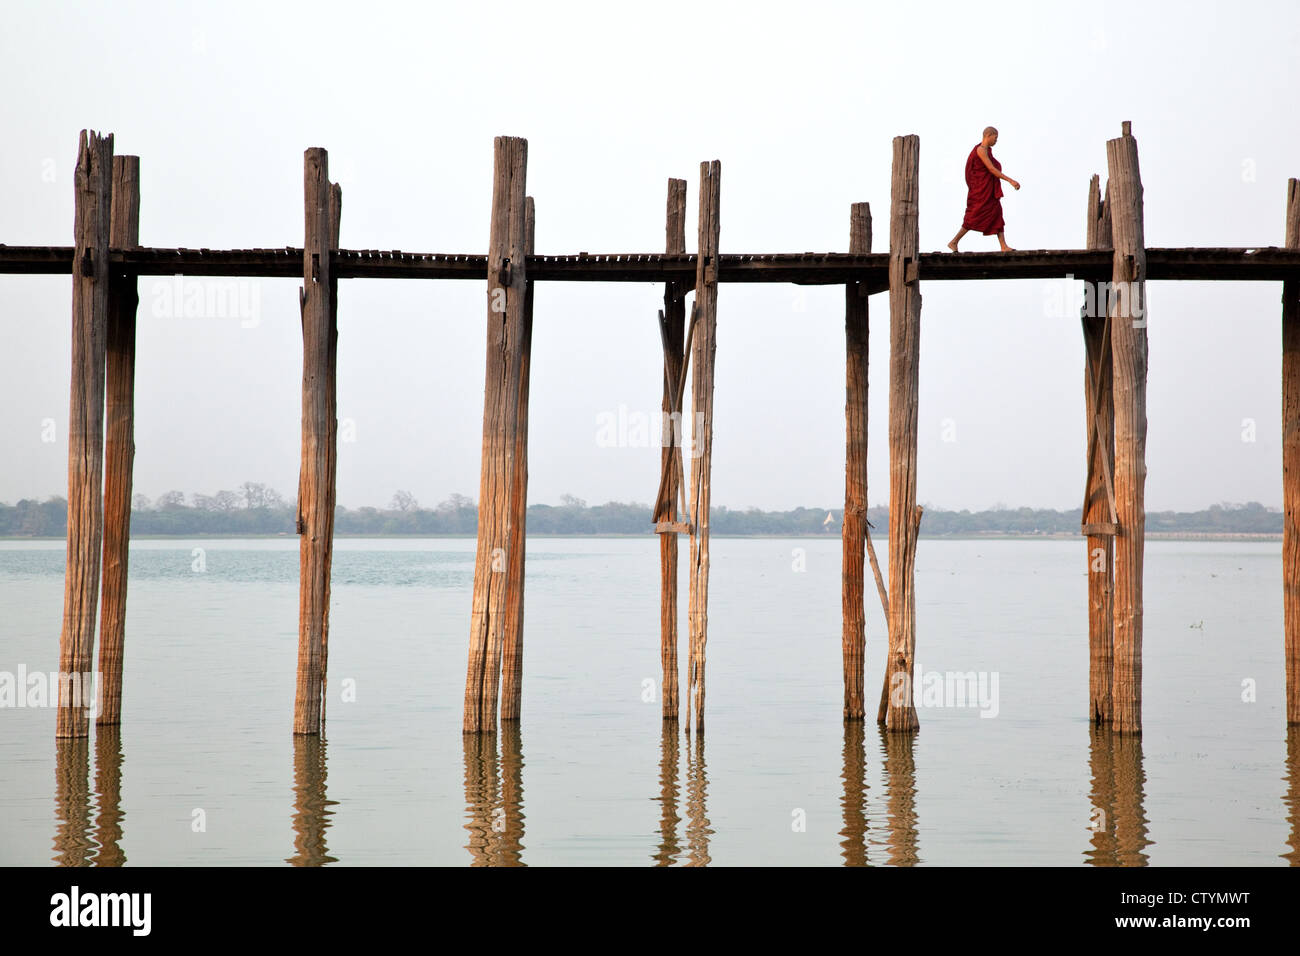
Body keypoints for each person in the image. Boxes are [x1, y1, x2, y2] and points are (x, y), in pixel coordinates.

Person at [949, 126, 1020, 252]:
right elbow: (992, 169)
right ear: (989, 135)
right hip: (980, 191)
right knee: (973, 216)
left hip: (989, 191)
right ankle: (954, 241)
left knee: (997, 213)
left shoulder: (987, 151)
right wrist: (1010, 180)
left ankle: (1003, 246)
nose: (996, 141)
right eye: (995, 137)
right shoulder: (981, 150)